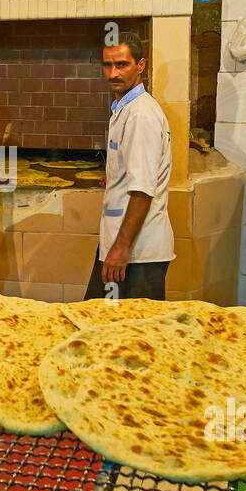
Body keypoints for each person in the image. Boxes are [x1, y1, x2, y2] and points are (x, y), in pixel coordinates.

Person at [84, 31, 174, 300]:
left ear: (140, 66)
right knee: (103, 326)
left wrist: (121, 249)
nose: (113, 74)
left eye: (122, 65)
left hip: (137, 253)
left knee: (131, 336)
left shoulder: (140, 115)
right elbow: (138, 172)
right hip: (124, 246)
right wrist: (115, 177)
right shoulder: (124, 108)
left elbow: (142, 190)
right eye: (107, 65)